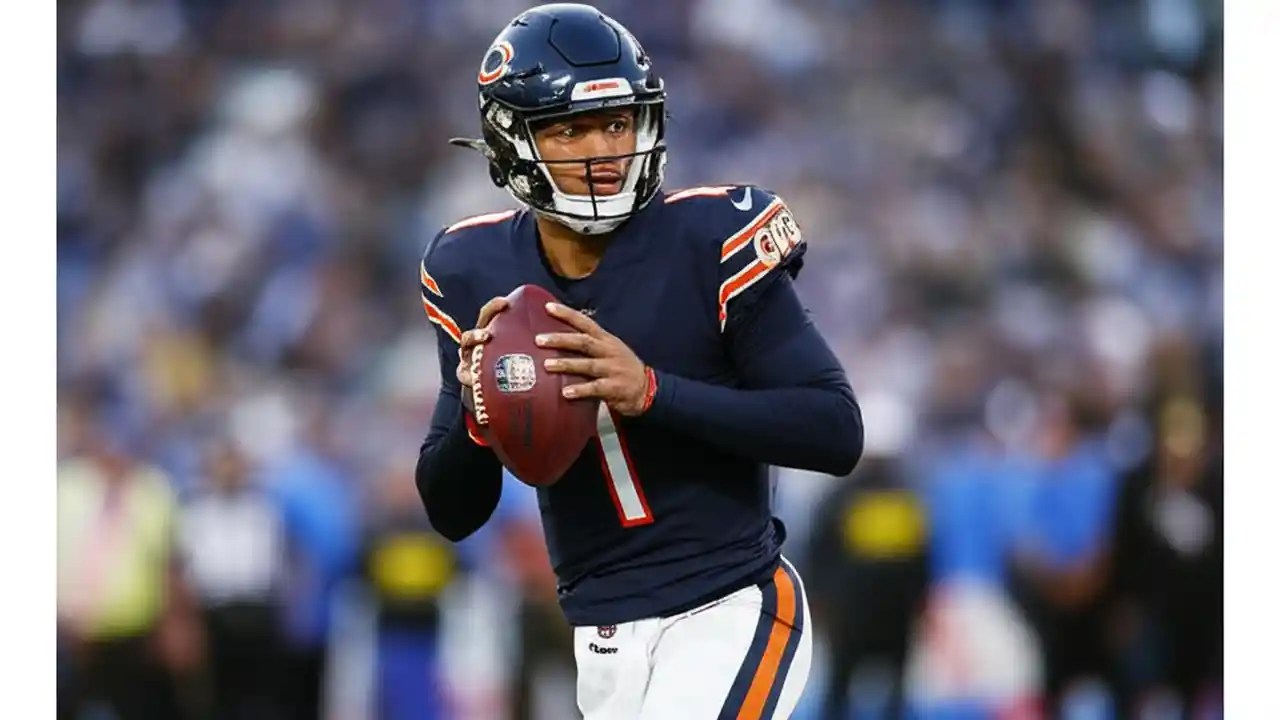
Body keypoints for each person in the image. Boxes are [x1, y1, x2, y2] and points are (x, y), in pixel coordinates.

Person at [414, 4, 864, 718]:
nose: (603, 149)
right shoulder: (471, 268)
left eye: (617, 122)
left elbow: (835, 430)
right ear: (510, 139)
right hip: (600, 636)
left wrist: (652, 391)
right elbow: (451, 510)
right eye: (570, 128)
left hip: (728, 609)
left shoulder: (710, 238)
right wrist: (476, 418)